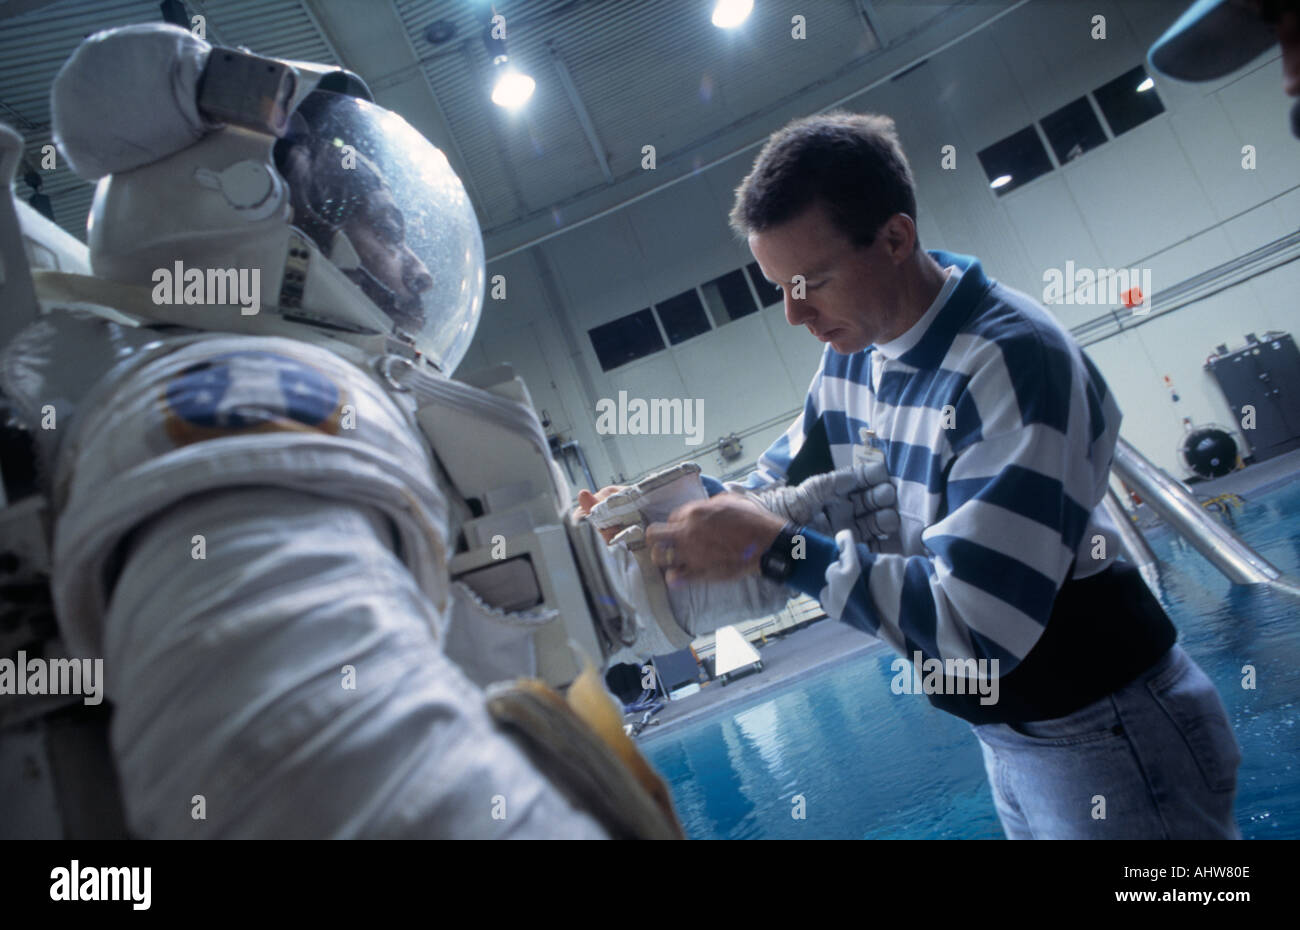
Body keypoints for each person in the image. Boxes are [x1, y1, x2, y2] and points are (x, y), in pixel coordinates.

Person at [0, 23, 683, 839]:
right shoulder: (243, 398)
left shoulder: (225, 401)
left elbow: (508, 611)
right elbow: (304, 772)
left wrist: (699, 579)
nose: (421, 266)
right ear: (263, 229)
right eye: (388, 232)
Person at [581, 111, 1243, 839]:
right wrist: (656, 513)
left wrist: (778, 549)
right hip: (1012, 731)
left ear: (895, 238)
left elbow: (977, 629)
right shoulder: (858, 350)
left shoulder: (1010, 365)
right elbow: (777, 481)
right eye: (778, 287)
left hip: (1106, 728)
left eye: (812, 282)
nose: (795, 314)